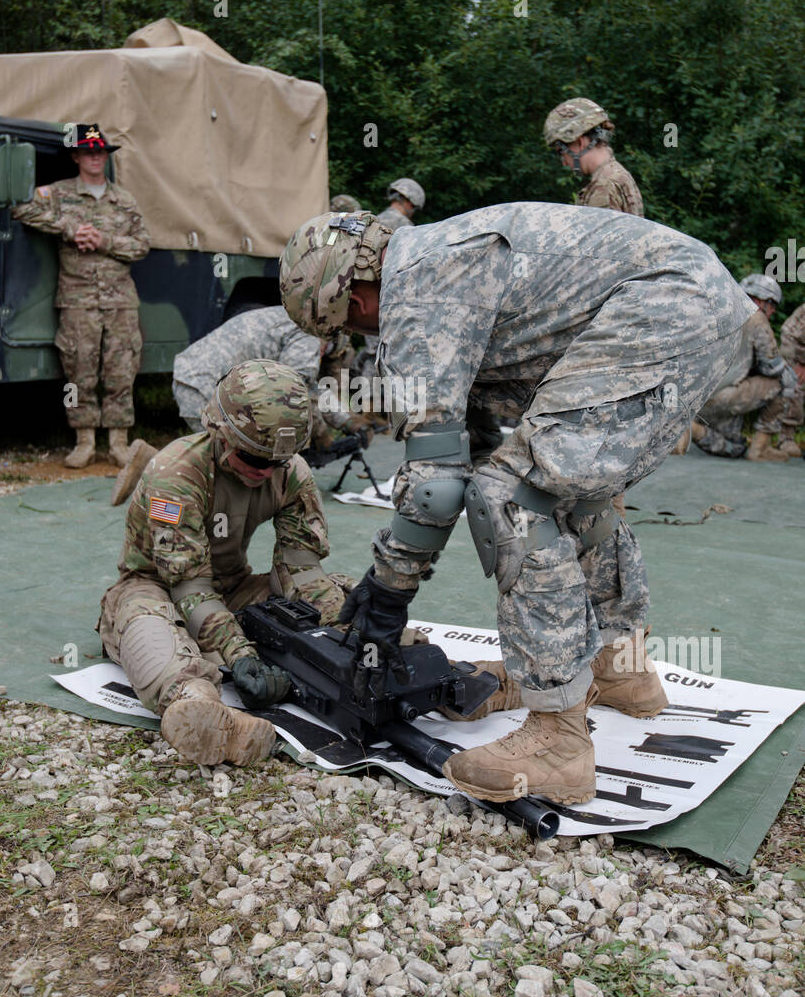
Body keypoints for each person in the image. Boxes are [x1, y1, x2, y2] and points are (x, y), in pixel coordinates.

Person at [279, 204, 753, 805]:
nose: (363, 334)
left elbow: (435, 482)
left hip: (662, 314)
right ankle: (617, 665)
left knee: (512, 498)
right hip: (699, 304)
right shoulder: (437, 257)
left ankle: (557, 737)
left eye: (349, 325)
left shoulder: (415, 295)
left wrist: (388, 590)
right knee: (574, 490)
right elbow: (466, 430)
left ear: (352, 297)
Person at [99, 360, 355, 765]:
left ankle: (430, 675)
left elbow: (301, 570)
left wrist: (344, 627)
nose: (262, 472)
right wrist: (241, 654)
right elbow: (188, 585)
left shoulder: (290, 471)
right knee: (149, 632)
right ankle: (202, 710)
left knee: (339, 604)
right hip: (156, 585)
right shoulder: (177, 474)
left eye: (274, 463)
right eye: (251, 459)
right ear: (219, 434)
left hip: (232, 587)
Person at [111, 305, 366, 504]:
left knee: (217, 455)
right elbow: (295, 393)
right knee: (227, 462)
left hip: (197, 378)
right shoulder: (310, 336)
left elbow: (308, 387)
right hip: (207, 387)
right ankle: (150, 464)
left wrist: (345, 420)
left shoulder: (296, 318)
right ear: (329, 344)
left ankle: (152, 463)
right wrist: (323, 434)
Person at [12, 123, 150, 467]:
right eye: (88, 151)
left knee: (121, 372)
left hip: (120, 302)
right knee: (78, 373)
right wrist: (70, 229)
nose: (94, 157)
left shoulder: (124, 200)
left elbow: (142, 245)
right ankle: (84, 441)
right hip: (77, 301)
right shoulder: (58, 194)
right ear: (75, 156)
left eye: (99, 151)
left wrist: (104, 241)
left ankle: (119, 443)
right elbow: (21, 209)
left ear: (105, 156)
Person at [684, 275, 798, 462]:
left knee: (735, 447)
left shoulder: (712, 309)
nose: (773, 312)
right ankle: (761, 448)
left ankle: (692, 430)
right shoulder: (756, 316)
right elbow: (773, 367)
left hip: (692, 400)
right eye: (773, 306)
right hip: (722, 398)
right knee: (786, 379)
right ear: (762, 300)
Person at [544, 99, 644, 217]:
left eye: (561, 152)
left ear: (580, 142)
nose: (564, 163)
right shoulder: (617, 174)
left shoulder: (603, 187)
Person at [779, 301, 805, 459]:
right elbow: (789, 334)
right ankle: (785, 438)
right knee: (796, 383)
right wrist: (802, 362)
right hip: (795, 351)